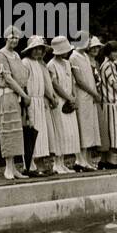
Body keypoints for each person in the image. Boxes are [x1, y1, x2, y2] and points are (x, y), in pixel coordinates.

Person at [0, 26, 31, 180]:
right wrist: (23, 94)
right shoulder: (0, 55)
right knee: (9, 129)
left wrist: (24, 94)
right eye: (11, 37)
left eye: (17, 37)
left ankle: (14, 167)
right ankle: (8, 168)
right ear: (6, 38)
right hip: (8, 95)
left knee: (17, 131)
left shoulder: (16, 55)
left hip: (18, 97)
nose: (14, 40)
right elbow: (8, 78)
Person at [20, 35, 58, 176]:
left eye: (40, 49)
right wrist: (25, 100)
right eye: (34, 49)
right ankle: (29, 165)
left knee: (40, 135)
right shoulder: (25, 62)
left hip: (40, 101)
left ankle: (40, 165)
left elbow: (43, 84)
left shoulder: (38, 64)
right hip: (30, 101)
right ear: (30, 50)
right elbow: (23, 83)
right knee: (31, 133)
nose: (37, 52)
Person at [46, 36, 82, 173]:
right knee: (59, 131)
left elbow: (71, 81)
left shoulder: (67, 63)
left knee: (69, 132)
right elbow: (55, 84)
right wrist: (67, 97)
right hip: (59, 101)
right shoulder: (51, 65)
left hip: (69, 100)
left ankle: (63, 163)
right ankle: (57, 163)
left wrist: (73, 96)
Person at [70, 37, 103, 170]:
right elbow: (79, 80)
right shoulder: (74, 57)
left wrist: (94, 93)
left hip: (90, 97)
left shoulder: (84, 56)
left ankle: (87, 160)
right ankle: (80, 160)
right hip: (82, 96)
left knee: (90, 128)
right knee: (83, 127)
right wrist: (94, 93)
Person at [97, 42, 117, 169]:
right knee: (114, 132)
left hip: (107, 103)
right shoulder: (109, 66)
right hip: (111, 103)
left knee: (109, 132)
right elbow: (115, 84)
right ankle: (112, 161)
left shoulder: (105, 65)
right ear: (108, 52)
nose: (116, 54)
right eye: (114, 51)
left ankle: (104, 160)